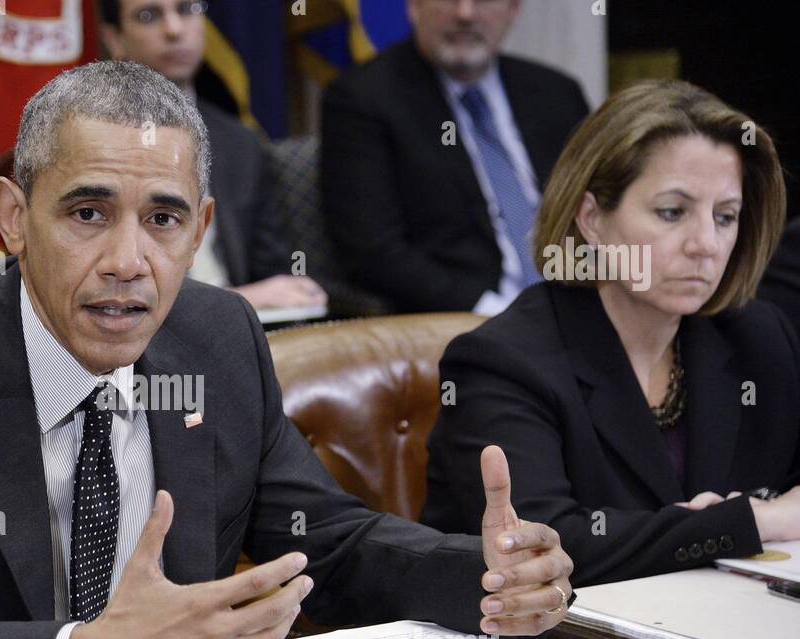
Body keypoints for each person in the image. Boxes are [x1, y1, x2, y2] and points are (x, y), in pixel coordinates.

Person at [0, 60, 574, 639]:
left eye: (163, 219)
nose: (128, 259)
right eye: (88, 212)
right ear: (12, 217)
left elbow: (324, 542)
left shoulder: (217, 340)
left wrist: (482, 577)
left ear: (200, 229)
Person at [422, 80, 800, 587]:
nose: (706, 244)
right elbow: (544, 547)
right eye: (672, 212)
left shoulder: (757, 337)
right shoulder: (503, 361)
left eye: (725, 217)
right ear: (593, 219)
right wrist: (752, 520)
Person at [321, 0, 589, 314]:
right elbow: (373, 252)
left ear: (514, 8)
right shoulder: (363, 99)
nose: (465, 13)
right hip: (467, 318)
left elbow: (600, 209)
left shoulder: (556, 93)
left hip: (577, 305)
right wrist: (492, 313)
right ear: (414, 6)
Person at [96, 0, 326, 312]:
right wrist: (241, 299)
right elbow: (110, 285)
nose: (174, 30)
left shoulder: (240, 142)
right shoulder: (97, 142)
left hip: (243, 332)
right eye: (148, 15)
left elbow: (273, 271)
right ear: (114, 39)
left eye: (187, 9)